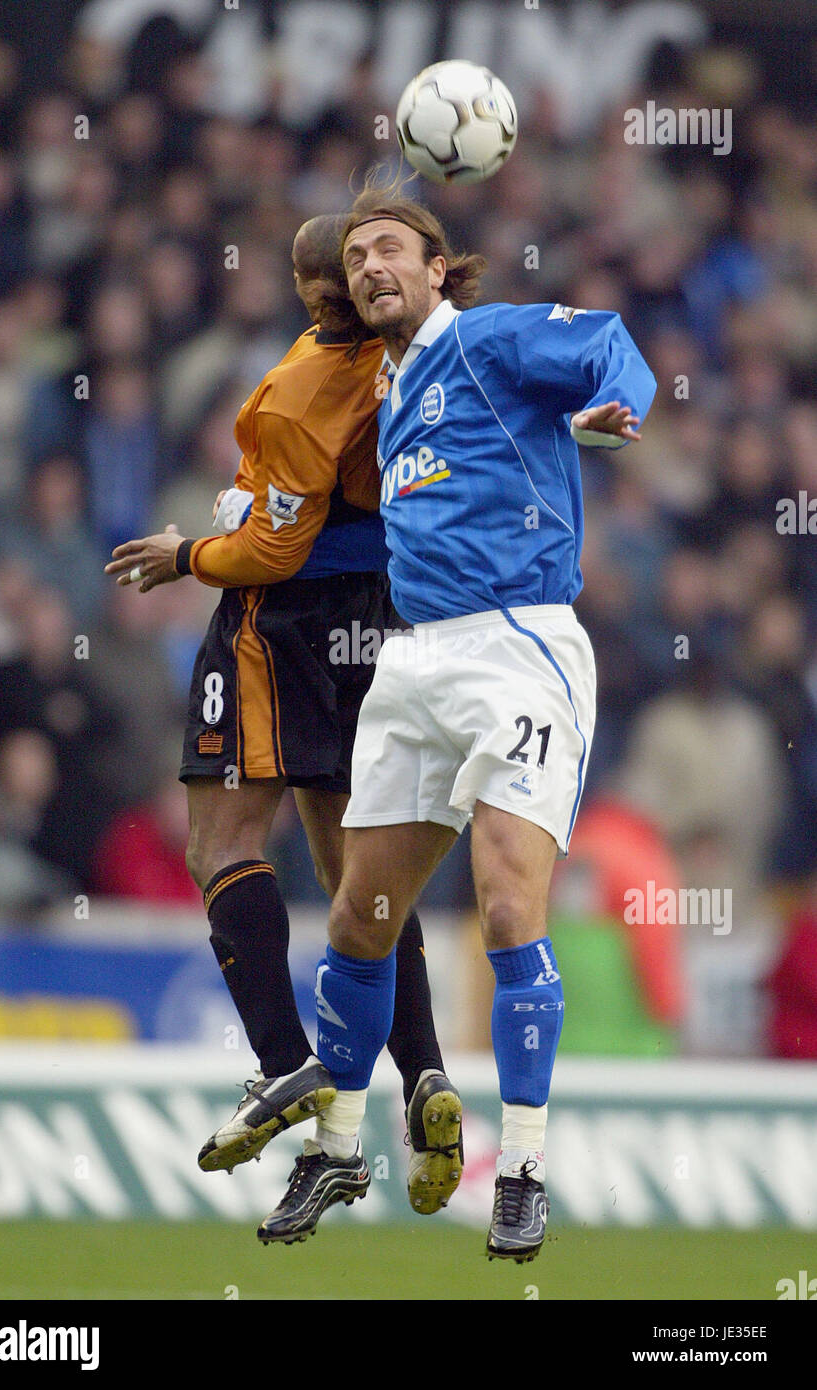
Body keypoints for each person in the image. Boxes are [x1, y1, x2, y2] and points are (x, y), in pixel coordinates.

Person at [252, 184, 657, 1261]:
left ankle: (519, 1166)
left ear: (438, 266)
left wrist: (616, 405)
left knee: (505, 905)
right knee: (356, 917)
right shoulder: (384, 387)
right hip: (414, 660)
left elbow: (611, 342)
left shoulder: (486, 338)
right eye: (358, 255)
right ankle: (339, 1142)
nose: (372, 264)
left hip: (515, 647)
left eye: (391, 246)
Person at [105, 214, 462, 1238]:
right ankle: (422, 1070)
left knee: (219, 841)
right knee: (361, 877)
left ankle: (279, 1062)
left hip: (282, 625)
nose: (322, 283)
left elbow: (268, 547)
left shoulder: (312, 383)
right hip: (384, 621)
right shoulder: (427, 360)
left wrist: (186, 555)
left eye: (326, 270)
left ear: (316, 288)